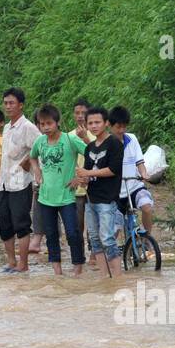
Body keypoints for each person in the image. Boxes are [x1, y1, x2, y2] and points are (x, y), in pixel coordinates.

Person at [29, 104, 87, 276]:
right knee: (51, 235)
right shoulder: (40, 141)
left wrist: (81, 177)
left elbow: (92, 154)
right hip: (45, 197)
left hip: (67, 197)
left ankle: (77, 270)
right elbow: (32, 157)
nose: (46, 127)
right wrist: (37, 170)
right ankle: (58, 273)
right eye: (42, 124)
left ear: (57, 122)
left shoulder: (70, 140)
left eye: (49, 123)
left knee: (73, 233)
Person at [0, 87, 41, 273]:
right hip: (4, 183)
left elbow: (41, 146)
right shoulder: (6, 128)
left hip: (21, 182)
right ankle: (11, 261)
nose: (8, 106)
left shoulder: (28, 127)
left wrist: (28, 160)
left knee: (21, 223)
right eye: (5, 103)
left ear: (21, 105)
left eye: (12, 103)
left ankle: (23, 263)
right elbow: (4, 158)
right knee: (4, 224)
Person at [76, 106, 124, 278]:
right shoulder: (89, 148)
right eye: (90, 123)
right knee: (95, 240)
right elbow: (88, 174)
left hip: (108, 199)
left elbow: (113, 170)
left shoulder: (114, 143)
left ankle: (117, 277)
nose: (94, 126)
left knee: (107, 238)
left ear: (106, 123)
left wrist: (88, 173)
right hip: (91, 199)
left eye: (97, 122)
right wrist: (82, 179)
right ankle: (104, 277)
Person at [109, 106, 155, 236]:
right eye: (118, 127)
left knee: (146, 207)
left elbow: (139, 162)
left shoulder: (132, 139)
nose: (122, 130)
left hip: (134, 187)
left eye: (124, 127)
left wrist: (144, 173)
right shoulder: (106, 144)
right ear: (110, 126)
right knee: (115, 229)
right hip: (115, 193)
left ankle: (147, 239)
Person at [69, 99, 94, 241]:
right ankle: (79, 250)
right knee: (77, 224)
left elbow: (97, 155)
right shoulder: (69, 136)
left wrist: (85, 138)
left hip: (94, 184)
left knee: (94, 224)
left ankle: (94, 249)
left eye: (83, 113)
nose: (80, 116)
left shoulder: (96, 134)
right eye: (77, 113)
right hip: (76, 186)